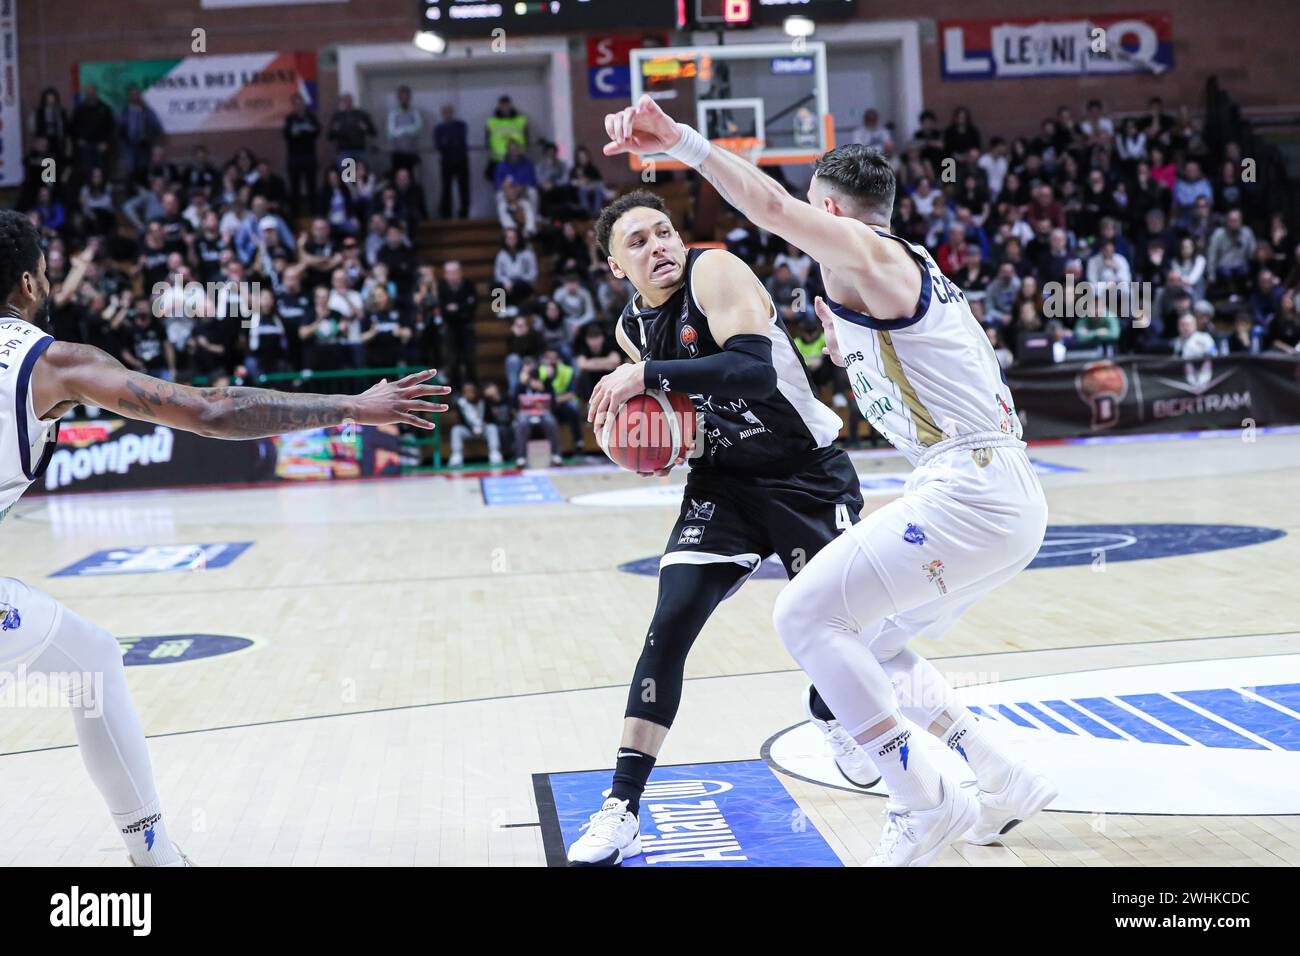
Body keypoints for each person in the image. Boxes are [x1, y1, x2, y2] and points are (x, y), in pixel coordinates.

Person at [605, 96, 1054, 867]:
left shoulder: (869, 252)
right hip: (996, 493)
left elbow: (770, 205)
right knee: (870, 639)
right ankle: (1002, 775)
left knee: (804, 619)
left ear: (834, 210)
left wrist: (679, 140)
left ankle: (921, 799)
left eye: (813, 213)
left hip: (970, 489)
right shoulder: (892, 280)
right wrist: (847, 348)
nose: (802, 225)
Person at [0, 208, 447, 865]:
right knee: (92, 662)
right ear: (32, 285)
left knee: (89, 658)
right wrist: (351, 406)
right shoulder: (51, 362)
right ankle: (154, 855)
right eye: (46, 274)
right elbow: (211, 410)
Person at [564, 189, 874, 866]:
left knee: (845, 623)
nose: (660, 247)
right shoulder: (630, 329)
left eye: (665, 232)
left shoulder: (716, 272)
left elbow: (752, 376)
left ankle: (829, 708)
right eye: (638, 243)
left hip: (805, 473)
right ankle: (621, 807)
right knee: (669, 624)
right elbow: (680, 407)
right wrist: (662, 442)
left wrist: (644, 373)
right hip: (722, 484)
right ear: (616, 267)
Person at [283, 93, 321, 218]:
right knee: (295, 187)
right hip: (294, 156)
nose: (299, 106)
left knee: (312, 186)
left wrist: (305, 131)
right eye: (297, 104)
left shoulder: (311, 117)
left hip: (309, 155)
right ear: (294, 105)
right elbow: (286, 135)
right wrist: (301, 132)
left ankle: (314, 213)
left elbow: (317, 132)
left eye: (301, 103)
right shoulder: (290, 119)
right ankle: (296, 215)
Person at [448, 381, 503, 467]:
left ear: (476, 391)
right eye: (467, 391)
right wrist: (471, 427)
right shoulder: (460, 403)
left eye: (471, 391)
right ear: (463, 393)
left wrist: (486, 423)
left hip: (483, 430)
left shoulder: (484, 402)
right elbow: (460, 421)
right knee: (456, 430)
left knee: (492, 428)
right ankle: (456, 455)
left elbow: (492, 418)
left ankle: (495, 453)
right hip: (469, 431)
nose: (469, 393)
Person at [433, 104, 470, 219]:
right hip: (446, 161)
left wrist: (447, 141)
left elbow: (459, 139)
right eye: (445, 112)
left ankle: (464, 213)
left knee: (464, 188)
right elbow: (439, 145)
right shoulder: (438, 128)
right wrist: (449, 142)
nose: (447, 114)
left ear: (452, 112)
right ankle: (446, 214)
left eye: (449, 112)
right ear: (442, 114)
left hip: (461, 160)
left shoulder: (461, 125)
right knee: (446, 188)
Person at [387, 86, 423, 174]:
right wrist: (408, 129)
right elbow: (391, 133)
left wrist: (401, 130)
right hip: (396, 152)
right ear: (398, 98)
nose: (404, 99)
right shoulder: (393, 113)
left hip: (411, 152)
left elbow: (418, 130)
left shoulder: (415, 113)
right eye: (402, 97)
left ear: (409, 98)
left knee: (411, 177)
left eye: (406, 97)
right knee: (396, 177)